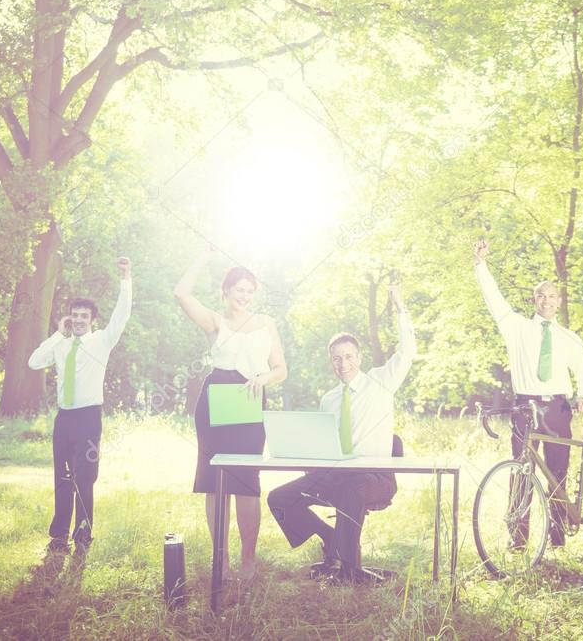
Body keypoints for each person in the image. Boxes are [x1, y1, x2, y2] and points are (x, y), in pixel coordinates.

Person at [267, 284, 416, 583]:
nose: (343, 364)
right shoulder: (329, 399)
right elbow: (326, 443)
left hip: (374, 478)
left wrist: (401, 308)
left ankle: (351, 572)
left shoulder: (381, 382)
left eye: (348, 357)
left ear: (358, 358)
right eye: (337, 358)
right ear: (331, 362)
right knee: (279, 498)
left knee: (352, 491)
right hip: (335, 475)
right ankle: (331, 538)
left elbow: (408, 351)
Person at [175, 245, 287, 580]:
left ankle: (248, 561)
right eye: (239, 290)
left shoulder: (266, 323)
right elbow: (180, 292)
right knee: (215, 482)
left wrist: (264, 377)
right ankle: (220, 560)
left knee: (247, 482)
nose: (245, 296)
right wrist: (203, 257)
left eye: (250, 291)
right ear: (226, 292)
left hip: (251, 399)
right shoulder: (215, 321)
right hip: (216, 401)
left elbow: (281, 368)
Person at [473, 238, 583, 546]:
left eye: (552, 295)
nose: (546, 299)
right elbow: (494, 300)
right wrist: (481, 266)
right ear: (535, 300)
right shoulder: (516, 328)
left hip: (557, 408)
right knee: (522, 469)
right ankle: (518, 538)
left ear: (558, 301)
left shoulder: (568, 338)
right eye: (541, 295)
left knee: (557, 471)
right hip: (525, 408)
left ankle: (557, 537)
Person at [28, 256, 133, 553]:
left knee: (84, 477)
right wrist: (57, 334)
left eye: (84, 316)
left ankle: (83, 533)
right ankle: (59, 534)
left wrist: (126, 279)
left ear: (92, 320)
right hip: (64, 419)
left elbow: (122, 314)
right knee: (62, 476)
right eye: (75, 315)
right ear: (69, 317)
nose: (78, 320)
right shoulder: (60, 343)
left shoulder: (102, 341)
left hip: (88, 418)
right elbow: (34, 362)